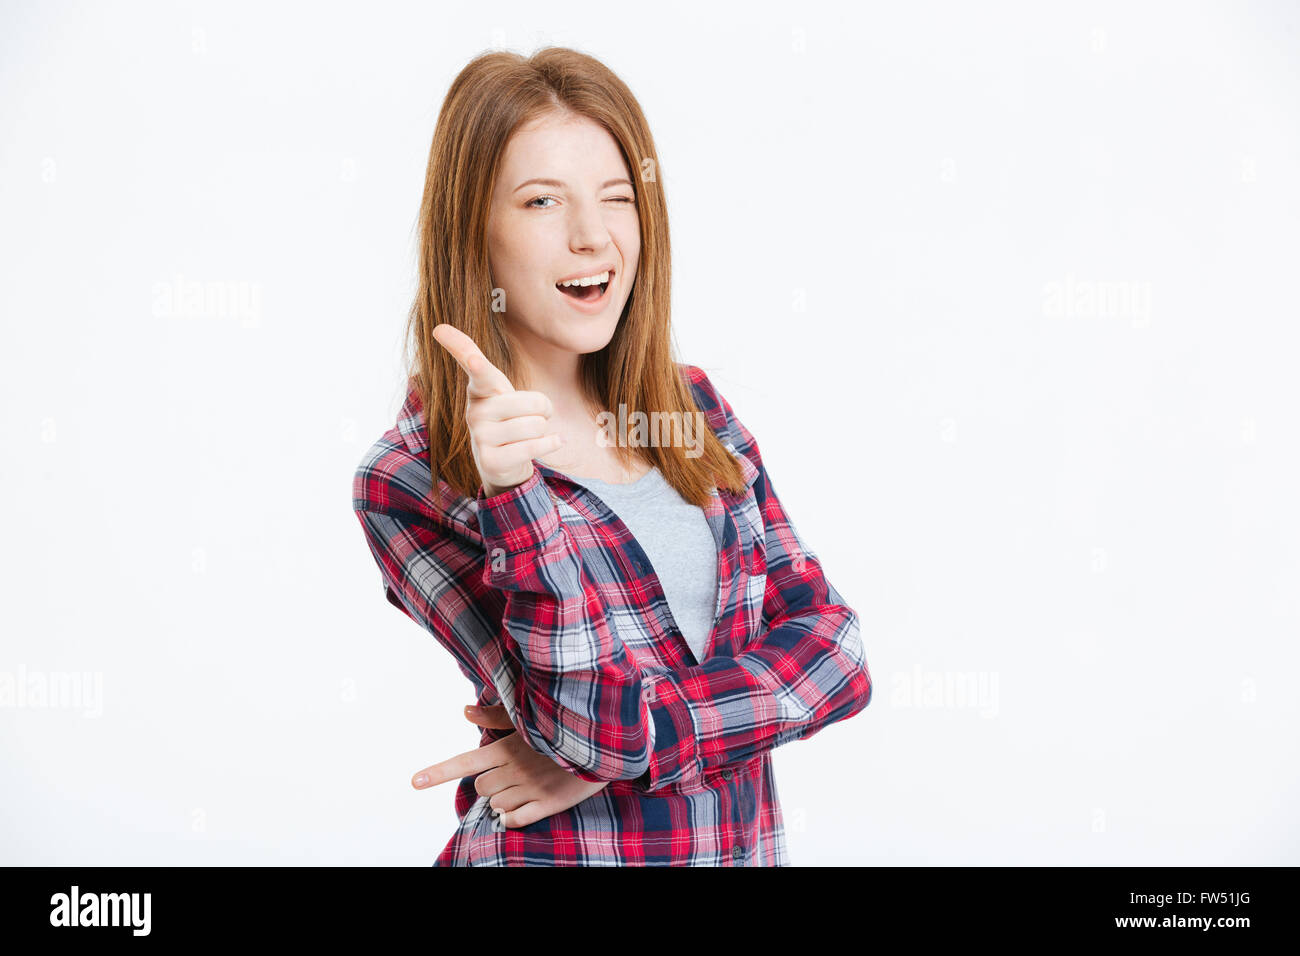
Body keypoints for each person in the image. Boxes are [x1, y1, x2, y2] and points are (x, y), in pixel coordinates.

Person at [351, 46, 872, 866]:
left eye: (617, 198)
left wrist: (635, 746)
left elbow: (836, 652)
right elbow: (586, 718)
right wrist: (512, 490)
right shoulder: (413, 476)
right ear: (473, 231)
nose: (591, 237)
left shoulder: (691, 411)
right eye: (541, 201)